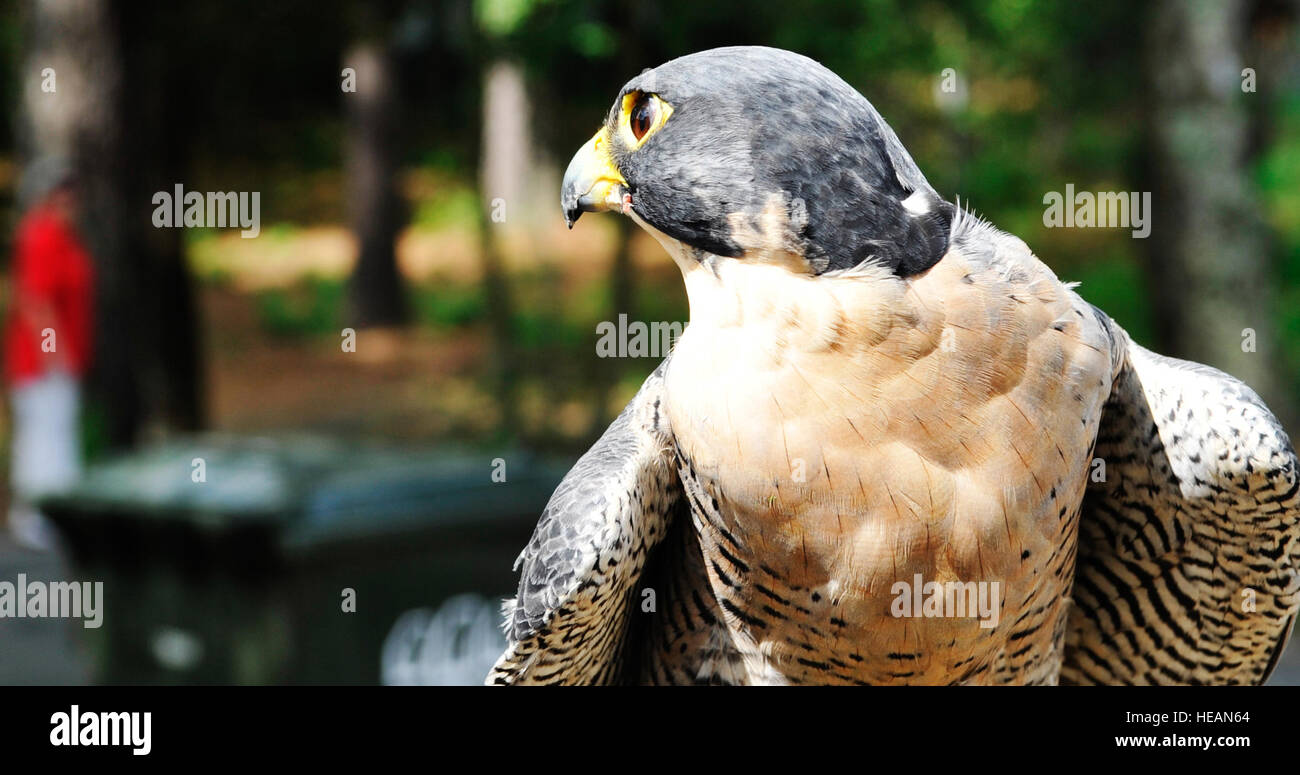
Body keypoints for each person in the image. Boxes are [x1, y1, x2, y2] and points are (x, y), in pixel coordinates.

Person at [4, 158, 94, 550]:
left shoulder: (63, 235)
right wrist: (54, 358)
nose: (70, 198)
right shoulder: (41, 234)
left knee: (55, 435)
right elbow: (37, 302)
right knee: (45, 436)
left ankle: (51, 514)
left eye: (72, 189)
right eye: (62, 190)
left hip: (59, 361)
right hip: (41, 366)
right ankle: (37, 517)